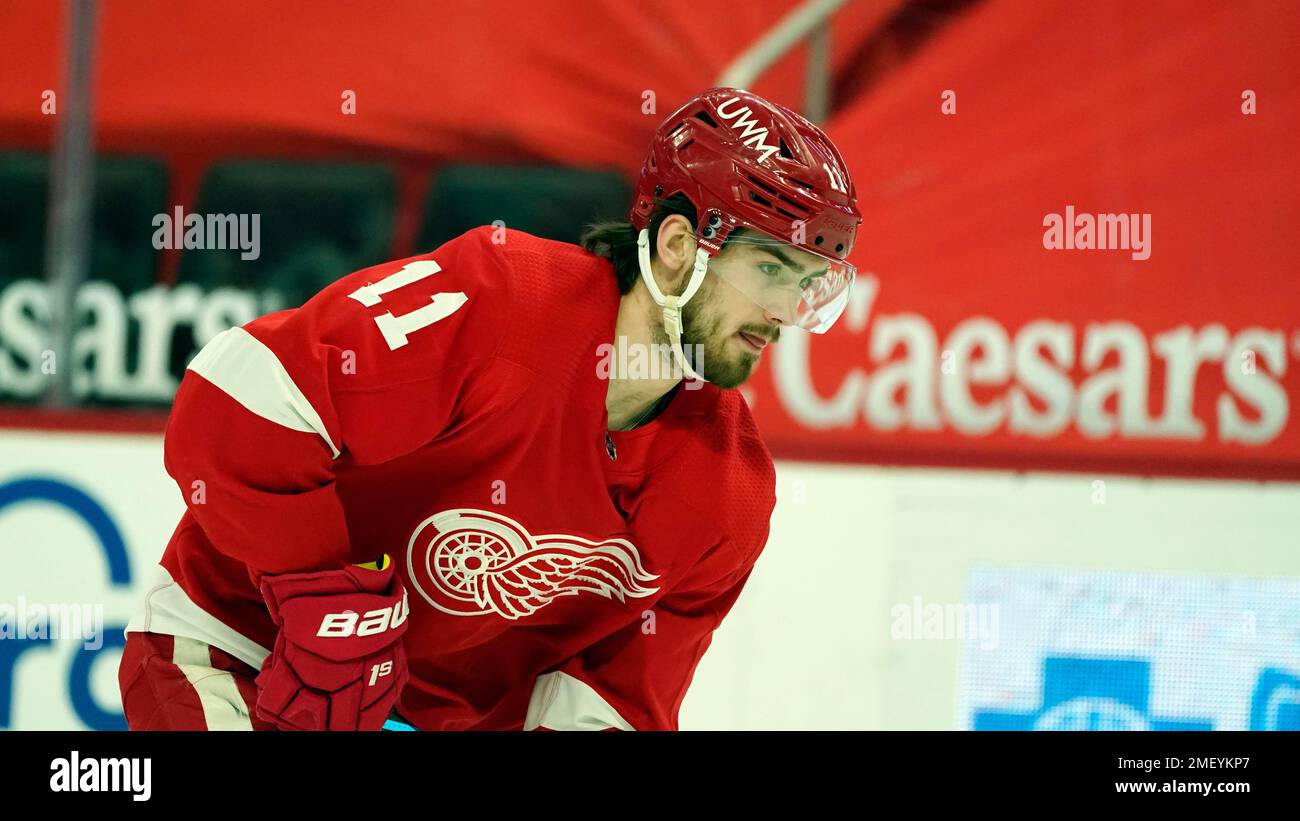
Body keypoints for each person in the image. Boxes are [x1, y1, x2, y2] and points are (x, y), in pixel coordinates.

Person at [117, 87, 862, 731]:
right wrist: (316, 597)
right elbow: (236, 393)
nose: (787, 310)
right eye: (770, 268)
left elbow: (611, 699)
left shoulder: (727, 494)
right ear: (676, 244)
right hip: (235, 651)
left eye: (806, 283)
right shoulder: (501, 305)